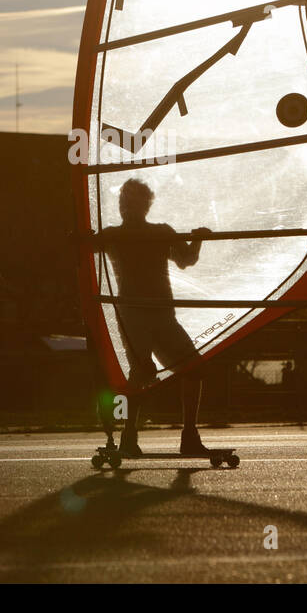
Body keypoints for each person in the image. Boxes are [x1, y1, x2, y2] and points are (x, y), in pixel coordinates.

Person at [101, 178, 212, 457]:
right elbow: (82, 253)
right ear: (121, 206)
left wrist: (197, 239)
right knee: (140, 373)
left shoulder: (160, 232)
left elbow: (185, 260)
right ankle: (128, 436)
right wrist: (79, 236)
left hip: (162, 315)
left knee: (193, 368)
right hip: (134, 316)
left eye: (134, 201)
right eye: (124, 201)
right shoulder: (112, 235)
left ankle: (189, 435)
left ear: (146, 205)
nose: (127, 206)